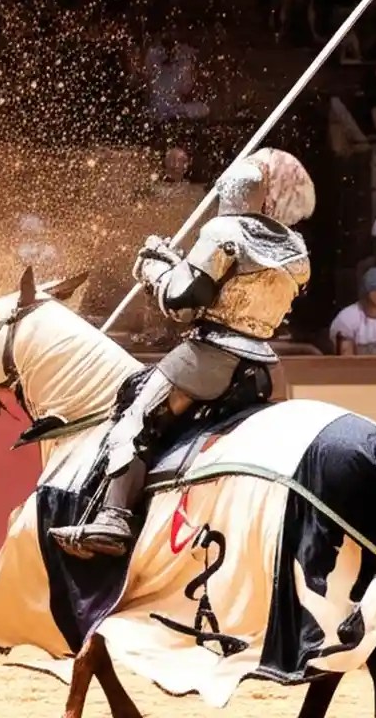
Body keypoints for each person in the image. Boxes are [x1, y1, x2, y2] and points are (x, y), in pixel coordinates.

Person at [49, 147, 315, 559]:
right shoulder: (293, 246)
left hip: (208, 360)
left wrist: (154, 270)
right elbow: (236, 289)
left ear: (229, 194)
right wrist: (179, 262)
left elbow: (181, 303)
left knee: (135, 420)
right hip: (264, 366)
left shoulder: (222, 231)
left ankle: (114, 518)